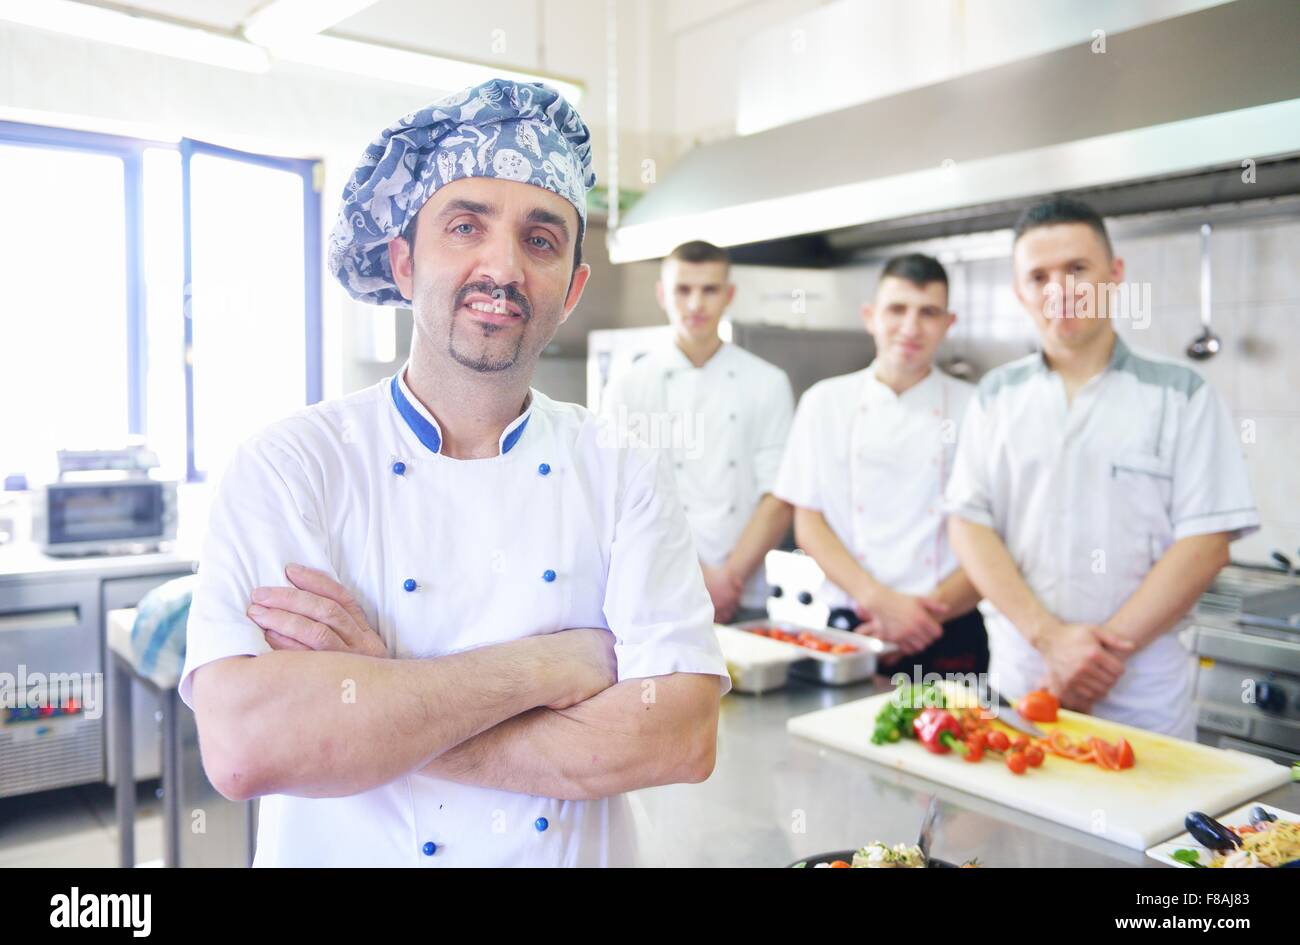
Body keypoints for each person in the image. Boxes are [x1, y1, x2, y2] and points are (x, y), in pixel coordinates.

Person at [180, 79, 729, 867]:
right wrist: (550, 664)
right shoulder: (293, 464)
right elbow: (246, 745)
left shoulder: (624, 470)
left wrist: (378, 704)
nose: (501, 267)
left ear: (571, 289)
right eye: (465, 226)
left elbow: (681, 736)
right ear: (404, 264)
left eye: (540, 240)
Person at [946, 196, 1258, 738]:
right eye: (1038, 276)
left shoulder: (1181, 393)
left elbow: (1206, 541)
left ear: (1115, 275)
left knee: (1146, 820)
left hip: (1141, 695)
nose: (1059, 290)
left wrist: (1092, 656)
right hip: (1025, 681)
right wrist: (1049, 639)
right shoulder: (996, 395)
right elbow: (969, 524)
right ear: (1020, 292)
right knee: (1019, 820)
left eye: (1076, 269)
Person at [774, 253, 986, 679]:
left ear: (949, 323)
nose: (910, 327)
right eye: (897, 309)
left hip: (949, 627)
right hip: (855, 621)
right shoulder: (825, 402)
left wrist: (920, 620)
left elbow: (993, 536)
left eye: (928, 312)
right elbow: (809, 524)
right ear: (870, 316)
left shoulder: (978, 408)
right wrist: (882, 604)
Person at [600, 241, 794, 623]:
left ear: (729, 295)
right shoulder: (629, 387)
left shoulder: (768, 382)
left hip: (743, 591)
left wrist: (729, 577)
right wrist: (698, 576)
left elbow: (778, 494)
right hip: (660, 590)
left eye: (709, 290)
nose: (695, 304)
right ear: (662, 294)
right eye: (683, 290)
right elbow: (618, 496)